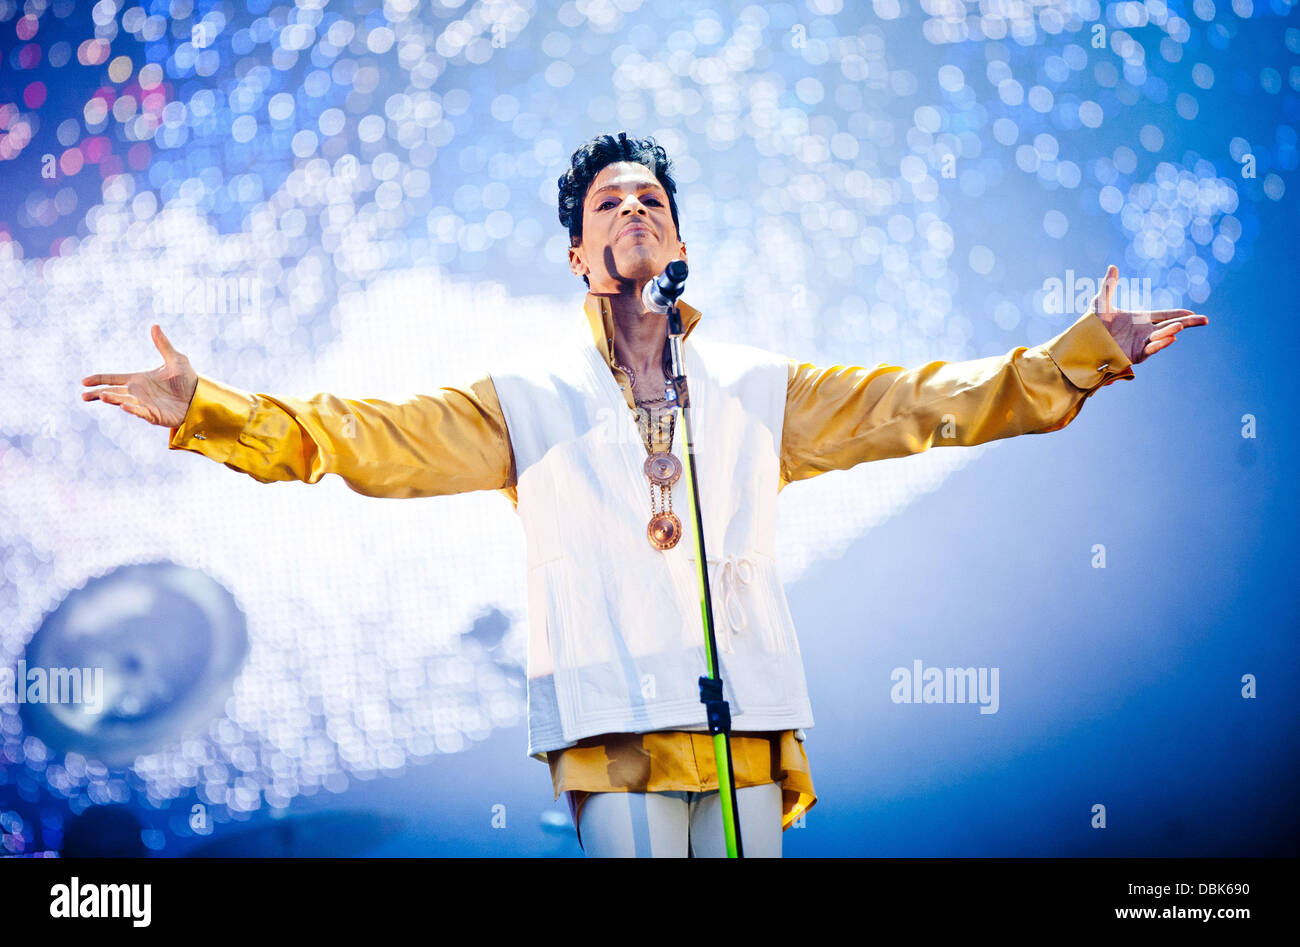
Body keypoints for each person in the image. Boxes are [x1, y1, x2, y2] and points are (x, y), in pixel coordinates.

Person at [81, 131, 1208, 857]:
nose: (632, 211)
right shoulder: (520, 399)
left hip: (744, 714)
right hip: (609, 710)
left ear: (677, 238)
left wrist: (1078, 354)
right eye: (609, 203)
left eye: (650, 199)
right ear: (576, 253)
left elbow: (928, 401)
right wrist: (203, 408)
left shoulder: (765, 388)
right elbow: (358, 438)